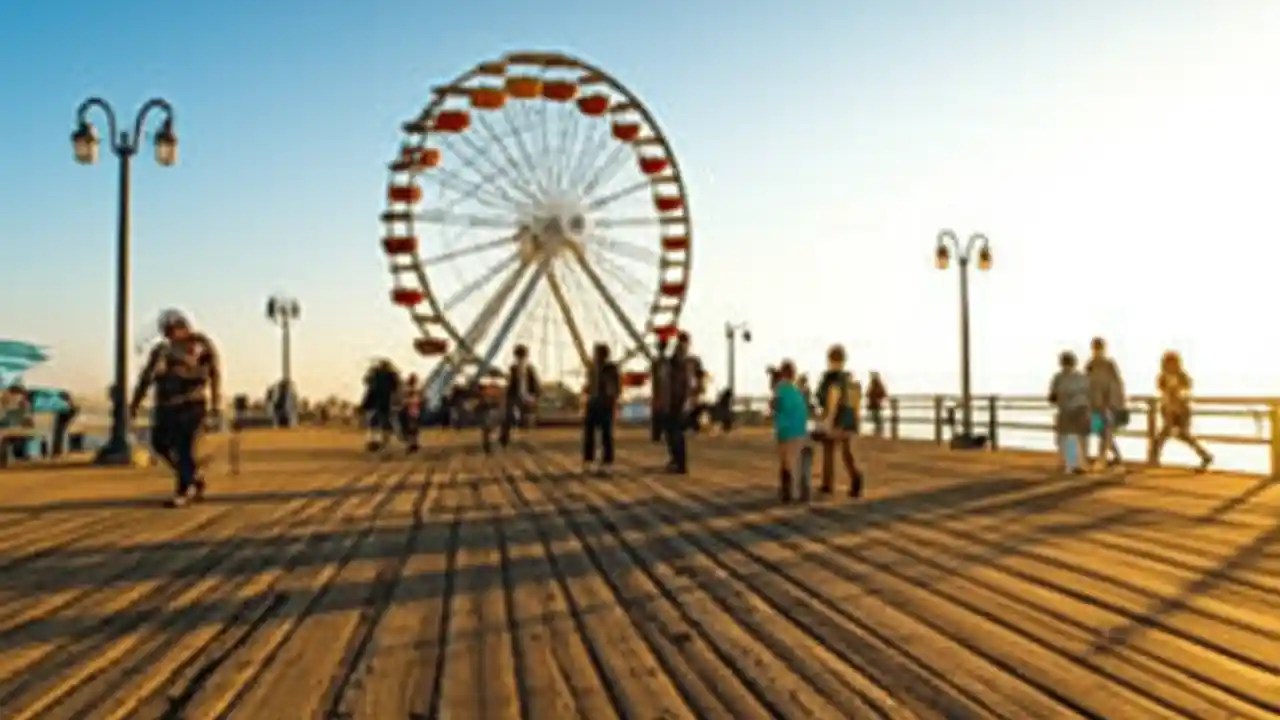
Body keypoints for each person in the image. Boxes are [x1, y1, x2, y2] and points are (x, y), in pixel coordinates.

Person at [129, 309, 222, 507]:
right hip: (165, 406)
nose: (169, 334)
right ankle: (193, 477)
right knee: (159, 443)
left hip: (192, 404)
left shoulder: (201, 344)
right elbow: (146, 377)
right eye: (166, 330)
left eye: (173, 329)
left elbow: (214, 373)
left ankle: (184, 489)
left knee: (184, 446)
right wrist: (135, 403)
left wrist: (216, 404)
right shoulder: (161, 350)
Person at [815, 344, 865, 497]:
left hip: (835, 418)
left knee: (829, 449)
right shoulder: (849, 379)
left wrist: (827, 418)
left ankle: (828, 484)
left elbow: (825, 398)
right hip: (849, 419)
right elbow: (855, 402)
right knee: (846, 452)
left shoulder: (830, 378)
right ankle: (855, 477)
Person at [1153, 351, 1213, 471]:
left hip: (1182, 410)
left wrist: (1178, 394)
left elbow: (1186, 390)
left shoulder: (1182, 376)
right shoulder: (1162, 377)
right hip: (1168, 410)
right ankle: (1154, 458)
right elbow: (1163, 392)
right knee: (1165, 434)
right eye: (1168, 363)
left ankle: (1205, 455)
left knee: (1182, 435)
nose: (1171, 366)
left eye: (1173, 363)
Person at [1085, 337, 1127, 467]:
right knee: (1099, 431)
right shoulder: (1090, 365)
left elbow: (1116, 383)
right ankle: (1117, 457)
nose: (1097, 351)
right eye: (1095, 348)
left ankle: (1102, 458)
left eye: (1099, 348)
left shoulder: (1109, 364)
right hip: (1094, 404)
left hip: (1107, 404)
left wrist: (1115, 402)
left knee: (1106, 431)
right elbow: (1086, 382)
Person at [771, 360, 809, 502]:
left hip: (785, 429)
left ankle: (787, 492)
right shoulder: (797, 390)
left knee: (786, 461)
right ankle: (793, 491)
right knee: (792, 462)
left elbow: (777, 405)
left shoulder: (780, 389)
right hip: (798, 429)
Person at [1048, 350, 1091, 474]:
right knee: (1081, 437)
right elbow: (1089, 394)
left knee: (1066, 436)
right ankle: (1081, 463)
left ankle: (1070, 464)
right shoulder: (1082, 377)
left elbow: (1052, 396)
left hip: (1067, 409)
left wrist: (1057, 398)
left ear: (1061, 363)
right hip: (1082, 408)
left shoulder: (1058, 378)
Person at [582, 343, 621, 475]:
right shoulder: (592, 368)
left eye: (597, 353)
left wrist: (612, 399)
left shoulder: (611, 369)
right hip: (593, 403)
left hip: (605, 404)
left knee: (606, 435)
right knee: (589, 434)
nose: (595, 355)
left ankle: (607, 462)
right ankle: (589, 460)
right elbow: (590, 385)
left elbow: (616, 387)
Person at [500, 345, 540, 448]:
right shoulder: (514, 368)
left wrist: (534, 395)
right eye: (519, 356)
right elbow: (510, 383)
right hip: (515, 395)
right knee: (509, 416)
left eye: (522, 356)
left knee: (527, 417)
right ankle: (505, 437)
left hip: (525, 395)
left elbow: (535, 383)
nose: (521, 359)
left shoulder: (529, 369)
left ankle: (524, 437)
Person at [663, 332, 692, 474]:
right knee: (675, 433)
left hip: (675, 401)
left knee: (674, 433)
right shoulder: (684, 359)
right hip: (678, 400)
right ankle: (677, 461)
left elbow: (678, 381)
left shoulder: (678, 359)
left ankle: (678, 462)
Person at [362, 360, 400, 451]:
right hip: (385, 402)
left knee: (375, 422)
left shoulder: (376, 374)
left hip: (376, 402)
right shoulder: (391, 375)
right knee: (384, 423)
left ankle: (376, 442)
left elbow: (366, 381)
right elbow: (396, 387)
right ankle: (383, 443)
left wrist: (371, 370)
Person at [649, 338, 669, 443]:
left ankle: (657, 434)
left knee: (658, 414)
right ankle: (660, 434)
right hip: (663, 391)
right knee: (662, 413)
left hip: (659, 391)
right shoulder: (666, 362)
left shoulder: (657, 362)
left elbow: (654, 378)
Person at [399, 373, 423, 453]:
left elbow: (404, 401)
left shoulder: (407, 390)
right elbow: (420, 400)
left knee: (410, 429)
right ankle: (414, 444)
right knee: (413, 428)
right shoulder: (416, 390)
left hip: (410, 410)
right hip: (414, 410)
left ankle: (411, 444)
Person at [51, 391, 79, 457]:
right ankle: (57, 451)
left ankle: (57, 451)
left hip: (63, 420)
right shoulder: (67, 406)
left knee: (59, 434)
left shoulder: (66, 406)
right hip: (63, 421)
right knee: (59, 434)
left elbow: (71, 411)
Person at [866, 372, 888, 437]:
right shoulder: (872, 385)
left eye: (872, 377)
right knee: (874, 416)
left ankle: (879, 430)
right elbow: (867, 394)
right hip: (872, 403)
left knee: (877, 417)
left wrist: (879, 399)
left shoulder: (879, 385)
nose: (871, 378)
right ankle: (878, 429)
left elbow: (884, 394)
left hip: (876, 404)